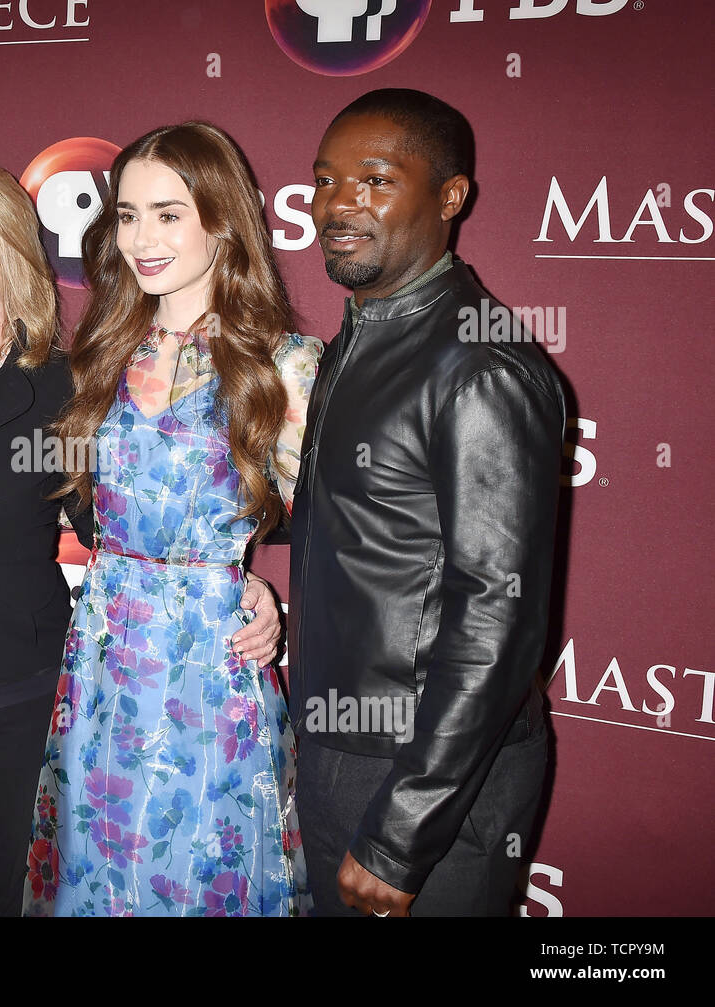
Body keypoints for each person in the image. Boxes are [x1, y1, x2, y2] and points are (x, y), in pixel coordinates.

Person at [0, 155, 286, 916]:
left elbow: (123, 521)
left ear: (14, 249)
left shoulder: (65, 383)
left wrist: (241, 582)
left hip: (21, 705)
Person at [24, 122, 320, 917]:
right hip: (104, 654)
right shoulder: (106, 351)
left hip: (207, 663)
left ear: (221, 220)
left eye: (167, 213)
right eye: (126, 215)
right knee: (99, 867)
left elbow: (331, 537)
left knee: (199, 872)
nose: (140, 238)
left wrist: (261, 591)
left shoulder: (285, 364)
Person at [290, 88, 564, 917]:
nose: (340, 203)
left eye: (375, 179)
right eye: (327, 180)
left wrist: (401, 832)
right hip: (344, 747)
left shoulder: (479, 365)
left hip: (426, 776)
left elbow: (497, 619)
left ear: (450, 198)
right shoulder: (361, 336)